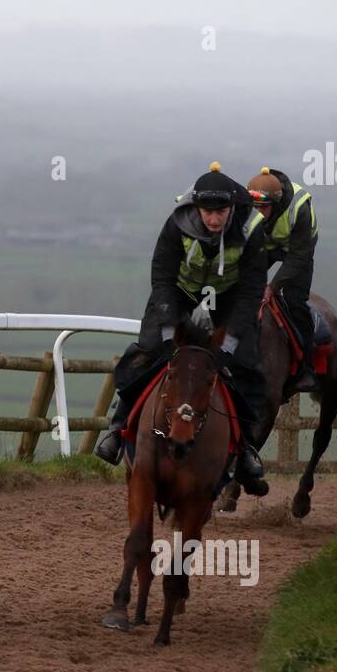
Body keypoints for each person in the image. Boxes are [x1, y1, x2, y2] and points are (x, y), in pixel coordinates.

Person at [94, 162, 269, 491]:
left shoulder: (252, 228)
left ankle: (246, 448)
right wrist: (167, 327)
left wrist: (230, 339)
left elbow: (252, 288)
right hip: (178, 294)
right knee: (146, 353)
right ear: (197, 208)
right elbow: (160, 274)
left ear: (233, 207)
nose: (214, 220)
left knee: (246, 366)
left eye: (221, 212)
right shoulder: (177, 222)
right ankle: (118, 431)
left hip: (230, 299)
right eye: (207, 212)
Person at [247, 166, 319, 392]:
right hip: (267, 246)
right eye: (255, 207)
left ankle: (307, 368)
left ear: (276, 204)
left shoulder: (299, 210)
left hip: (299, 250)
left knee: (295, 301)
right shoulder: (248, 206)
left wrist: (273, 286)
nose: (258, 213)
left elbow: (298, 256)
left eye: (263, 208)